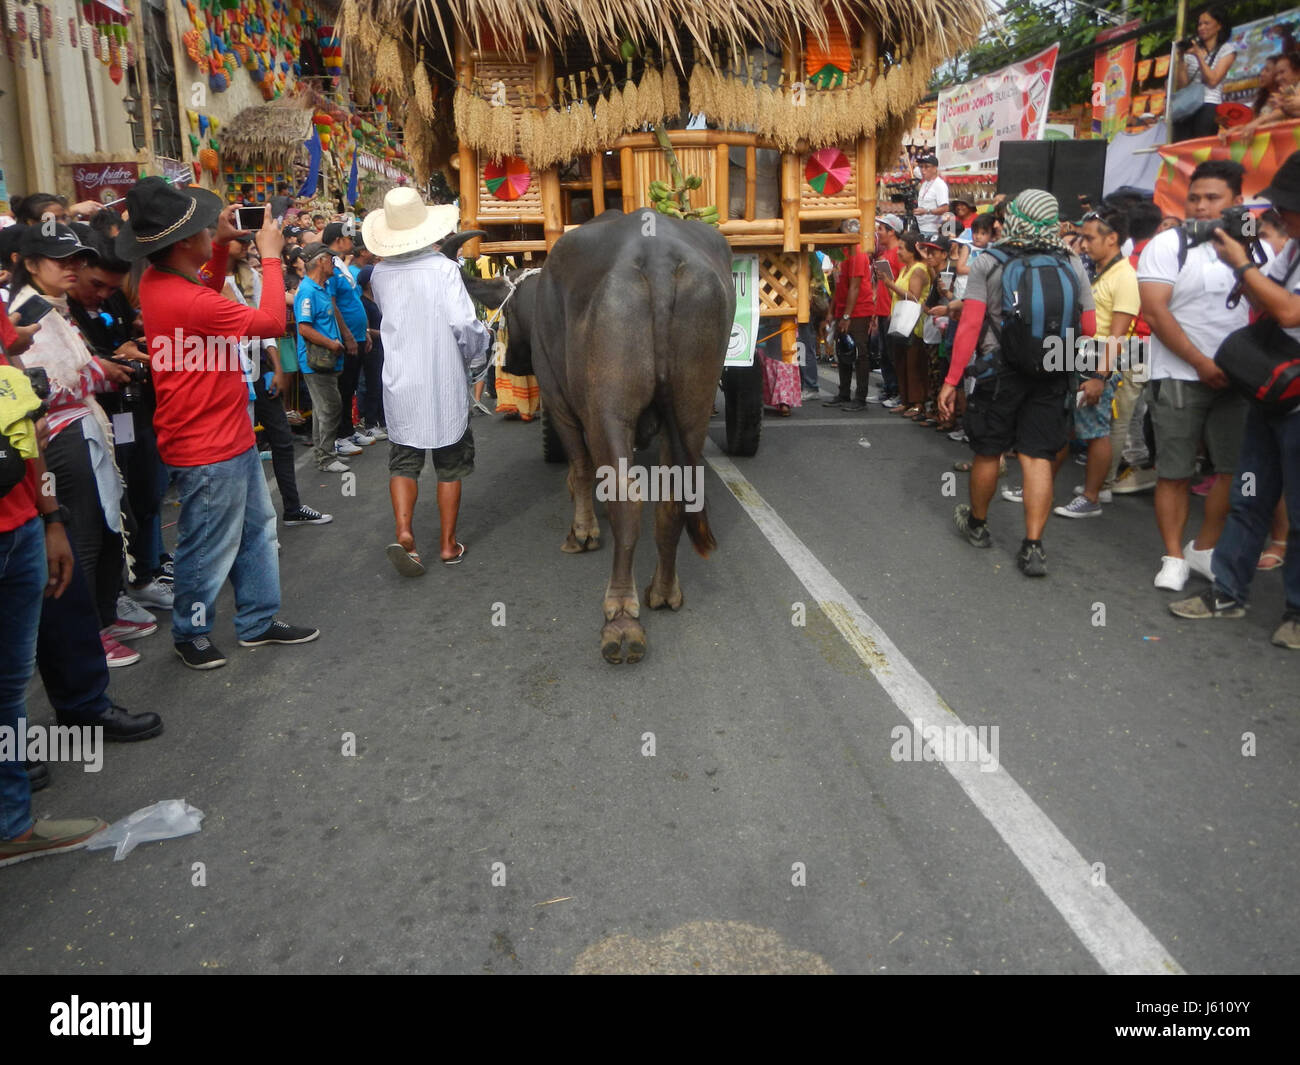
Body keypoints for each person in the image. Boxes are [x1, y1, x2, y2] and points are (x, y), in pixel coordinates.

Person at [117, 177, 318, 669]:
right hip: (207, 443)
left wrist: (224, 245)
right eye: (205, 226)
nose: (214, 227)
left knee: (254, 532)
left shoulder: (161, 281)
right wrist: (269, 256)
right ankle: (191, 632)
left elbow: (201, 288)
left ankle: (256, 620)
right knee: (206, 546)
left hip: (224, 435)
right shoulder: (187, 298)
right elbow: (271, 322)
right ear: (184, 242)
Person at [1168, 150, 1300, 650]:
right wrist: (1244, 266)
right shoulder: (1291, 251)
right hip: (1270, 393)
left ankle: (1297, 612)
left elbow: (1287, 312)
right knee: (1248, 496)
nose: (1280, 214)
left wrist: (1242, 262)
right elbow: (1262, 301)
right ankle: (1227, 590)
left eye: (1289, 205)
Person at [939, 188, 1096, 577]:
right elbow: (1090, 327)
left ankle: (977, 524)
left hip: (999, 370)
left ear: (1013, 219)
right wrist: (1089, 374)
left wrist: (952, 380)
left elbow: (971, 325)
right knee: (1037, 456)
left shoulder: (989, 261)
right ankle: (1034, 546)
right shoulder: (1072, 261)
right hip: (1054, 371)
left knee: (989, 451)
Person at [0, 320, 110, 866]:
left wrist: (49, 518)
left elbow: (26, 421)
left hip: (19, 525)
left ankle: (12, 827)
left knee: (7, 687)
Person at [8, 224, 137, 662]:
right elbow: (41, 387)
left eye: (75, 259)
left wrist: (97, 370)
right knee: (79, 534)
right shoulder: (25, 312)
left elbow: (73, 370)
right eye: (60, 260)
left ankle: (101, 617)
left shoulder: (51, 307)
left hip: (83, 429)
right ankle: (87, 635)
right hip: (60, 438)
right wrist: (96, 373)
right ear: (27, 264)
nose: (72, 268)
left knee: (102, 528)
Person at [1137, 160, 1259, 592]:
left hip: (1239, 380)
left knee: (1231, 469)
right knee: (1174, 471)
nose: (1202, 207)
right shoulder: (1168, 244)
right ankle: (1172, 555)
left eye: (1213, 199)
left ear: (1237, 203)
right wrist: (1201, 363)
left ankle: (1203, 547)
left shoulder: (1257, 248)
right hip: (1177, 375)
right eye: (1195, 198)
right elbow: (1155, 311)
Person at [362, 188, 489, 575]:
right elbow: (464, 324)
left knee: (403, 462)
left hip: (400, 381)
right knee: (449, 464)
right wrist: (479, 352)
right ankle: (448, 545)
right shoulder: (444, 269)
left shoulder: (380, 273)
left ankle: (405, 533)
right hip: (442, 379)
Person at [222, 237, 332, 527]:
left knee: (282, 439)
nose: (246, 245)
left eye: (248, 241)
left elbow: (267, 325)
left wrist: (278, 367)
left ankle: (292, 508)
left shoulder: (250, 276)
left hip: (258, 362)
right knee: (243, 449)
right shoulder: (211, 280)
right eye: (239, 241)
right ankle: (250, 524)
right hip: (230, 366)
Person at [1054, 205, 1140, 519]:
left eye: (1090, 238)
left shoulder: (1125, 276)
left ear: (1113, 239)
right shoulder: (1102, 270)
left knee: (1096, 430)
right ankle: (1077, 488)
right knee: (1074, 424)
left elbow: (1118, 334)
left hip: (1098, 361)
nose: (1084, 244)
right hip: (1081, 355)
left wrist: (1100, 377)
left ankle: (1092, 497)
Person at [295, 244, 351, 474]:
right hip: (316, 361)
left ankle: (324, 453)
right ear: (321, 261)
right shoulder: (307, 291)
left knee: (322, 409)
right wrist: (331, 344)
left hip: (327, 359)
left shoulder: (323, 286)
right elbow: (304, 329)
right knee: (330, 407)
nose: (334, 263)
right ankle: (326, 457)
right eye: (331, 259)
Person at [320, 221, 373, 453]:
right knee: (343, 387)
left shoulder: (341, 263)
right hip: (346, 336)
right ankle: (340, 436)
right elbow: (333, 303)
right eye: (349, 238)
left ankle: (349, 431)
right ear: (339, 240)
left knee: (350, 385)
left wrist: (365, 332)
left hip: (358, 334)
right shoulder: (328, 265)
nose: (352, 242)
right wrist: (348, 335)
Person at [824, 219, 874, 412]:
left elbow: (855, 286)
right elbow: (839, 286)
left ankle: (860, 397)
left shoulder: (857, 252)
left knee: (859, 353)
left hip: (858, 311)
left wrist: (846, 316)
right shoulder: (840, 254)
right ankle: (844, 392)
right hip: (843, 309)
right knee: (843, 351)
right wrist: (832, 311)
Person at [883, 233, 932, 419]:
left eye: (902, 248)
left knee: (914, 364)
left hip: (914, 323)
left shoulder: (918, 270)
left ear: (912, 251)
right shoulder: (905, 269)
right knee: (901, 362)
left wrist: (891, 285)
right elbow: (898, 295)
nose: (899, 251)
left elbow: (913, 296)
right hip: (900, 320)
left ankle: (918, 403)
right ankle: (906, 401)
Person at [1173, 6, 1238, 142]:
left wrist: (1199, 56)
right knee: (1181, 147)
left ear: (1219, 26)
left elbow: (1213, 81)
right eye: (1199, 24)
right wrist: (1180, 59)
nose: (1201, 28)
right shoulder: (1191, 51)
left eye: (1206, 23)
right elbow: (1182, 85)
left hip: (1209, 104)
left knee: (1202, 145)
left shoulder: (1227, 50)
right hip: (1187, 105)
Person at [871, 215, 904, 407]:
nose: (878, 232)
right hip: (883, 310)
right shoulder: (884, 254)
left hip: (894, 311)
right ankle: (890, 388)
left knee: (894, 354)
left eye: (882, 229)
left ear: (892, 231)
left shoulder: (900, 253)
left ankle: (898, 391)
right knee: (884, 353)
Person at [913, 155, 949, 239]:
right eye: (921, 167)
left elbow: (945, 208)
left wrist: (927, 211)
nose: (923, 170)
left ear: (934, 168)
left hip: (932, 231)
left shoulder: (940, 185)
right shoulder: (925, 183)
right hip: (921, 228)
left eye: (927, 167)